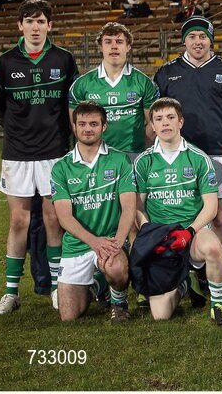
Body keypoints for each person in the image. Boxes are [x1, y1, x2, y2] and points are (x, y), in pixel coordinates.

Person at [0, 0, 80, 315]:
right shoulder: (6, 61)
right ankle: (11, 293)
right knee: (18, 221)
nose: (35, 26)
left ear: (49, 25)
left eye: (41, 20)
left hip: (54, 153)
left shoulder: (64, 59)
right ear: (20, 25)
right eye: (29, 20)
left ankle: (56, 288)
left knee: (54, 219)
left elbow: (73, 106)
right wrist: (18, 131)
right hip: (17, 155)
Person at [154, 16, 222, 263]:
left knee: (216, 217)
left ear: (211, 40)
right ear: (184, 40)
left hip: (218, 153)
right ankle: (182, 271)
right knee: (179, 214)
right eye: (192, 36)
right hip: (178, 156)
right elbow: (158, 113)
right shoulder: (166, 73)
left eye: (203, 36)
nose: (198, 42)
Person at [134, 98, 222, 325]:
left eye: (170, 118)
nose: (165, 123)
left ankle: (219, 305)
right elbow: (137, 207)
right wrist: (150, 232)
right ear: (153, 126)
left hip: (193, 232)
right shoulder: (143, 162)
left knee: (213, 248)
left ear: (180, 122)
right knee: (160, 314)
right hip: (161, 237)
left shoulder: (199, 158)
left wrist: (189, 231)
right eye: (159, 119)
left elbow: (210, 206)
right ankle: (186, 283)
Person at [51, 101, 136, 322]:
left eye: (94, 124)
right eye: (82, 124)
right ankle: (97, 286)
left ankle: (119, 302)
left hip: (110, 241)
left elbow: (129, 206)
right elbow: (64, 216)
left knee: (116, 268)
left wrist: (117, 242)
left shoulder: (119, 160)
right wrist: (93, 241)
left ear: (104, 127)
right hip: (78, 244)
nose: (88, 128)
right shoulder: (61, 167)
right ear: (74, 127)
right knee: (68, 316)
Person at [69, 22, 159, 160]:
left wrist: (138, 151)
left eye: (119, 41)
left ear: (128, 46)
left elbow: (154, 125)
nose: (114, 46)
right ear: (100, 46)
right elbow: (75, 126)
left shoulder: (144, 83)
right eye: (108, 42)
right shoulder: (82, 84)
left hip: (133, 156)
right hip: (96, 156)